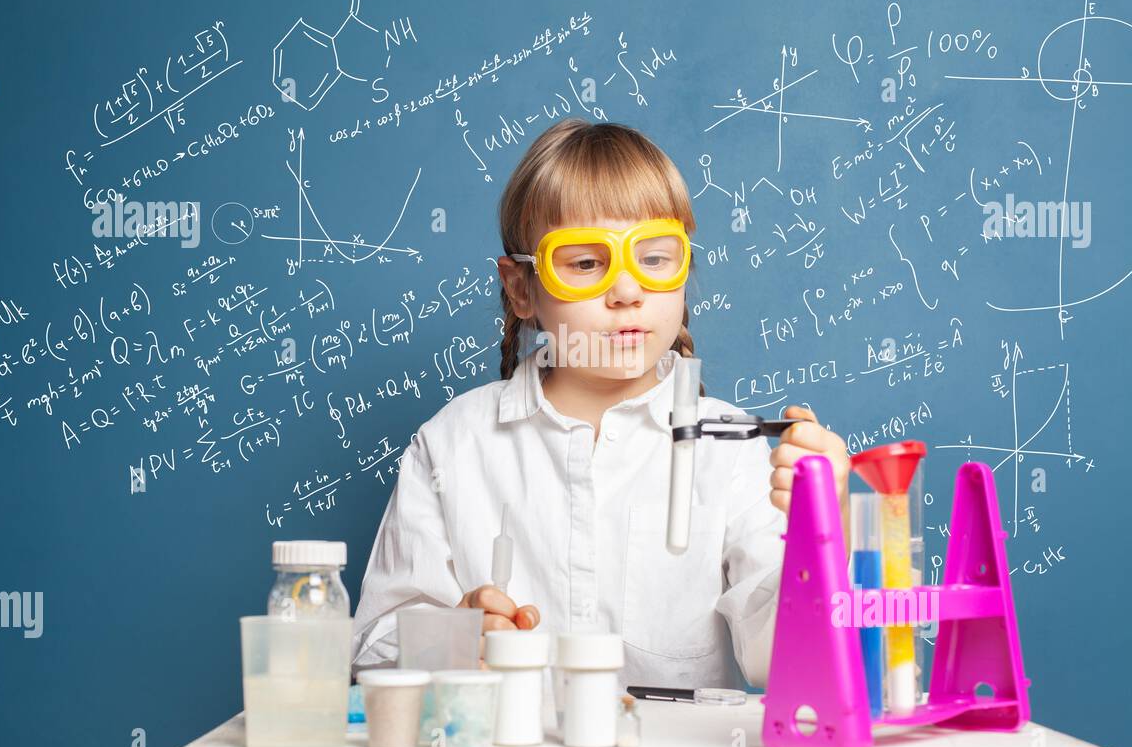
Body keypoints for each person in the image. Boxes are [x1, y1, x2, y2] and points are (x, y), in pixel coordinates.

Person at [351, 118, 849, 689]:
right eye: (586, 263)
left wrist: (822, 534)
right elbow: (373, 651)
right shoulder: (452, 445)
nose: (628, 291)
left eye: (655, 258)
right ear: (521, 289)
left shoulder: (732, 453)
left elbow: (784, 663)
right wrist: (453, 642)